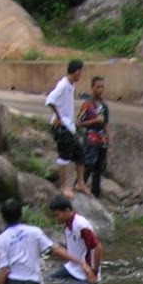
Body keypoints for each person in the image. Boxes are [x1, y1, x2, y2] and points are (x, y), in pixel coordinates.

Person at [44, 59, 85, 195]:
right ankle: (63, 186)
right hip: (61, 126)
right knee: (64, 155)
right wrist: (59, 117)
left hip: (69, 126)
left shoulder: (70, 85)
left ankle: (80, 183)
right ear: (77, 72)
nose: (81, 75)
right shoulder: (63, 85)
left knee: (79, 152)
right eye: (80, 72)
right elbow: (50, 100)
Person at [50, 194, 102, 284]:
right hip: (72, 267)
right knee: (50, 282)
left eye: (57, 215)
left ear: (67, 211)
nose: (56, 219)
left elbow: (98, 247)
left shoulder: (81, 226)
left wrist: (94, 271)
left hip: (85, 273)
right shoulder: (68, 224)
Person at [75, 74, 110, 195]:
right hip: (91, 139)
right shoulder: (87, 105)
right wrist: (95, 121)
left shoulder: (104, 106)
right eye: (98, 87)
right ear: (92, 88)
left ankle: (96, 193)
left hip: (102, 140)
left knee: (99, 169)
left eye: (102, 87)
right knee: (88, 164)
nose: (100, 90)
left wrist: (109, 142)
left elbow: (106, 124)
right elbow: (79, 123)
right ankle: (79, 186)